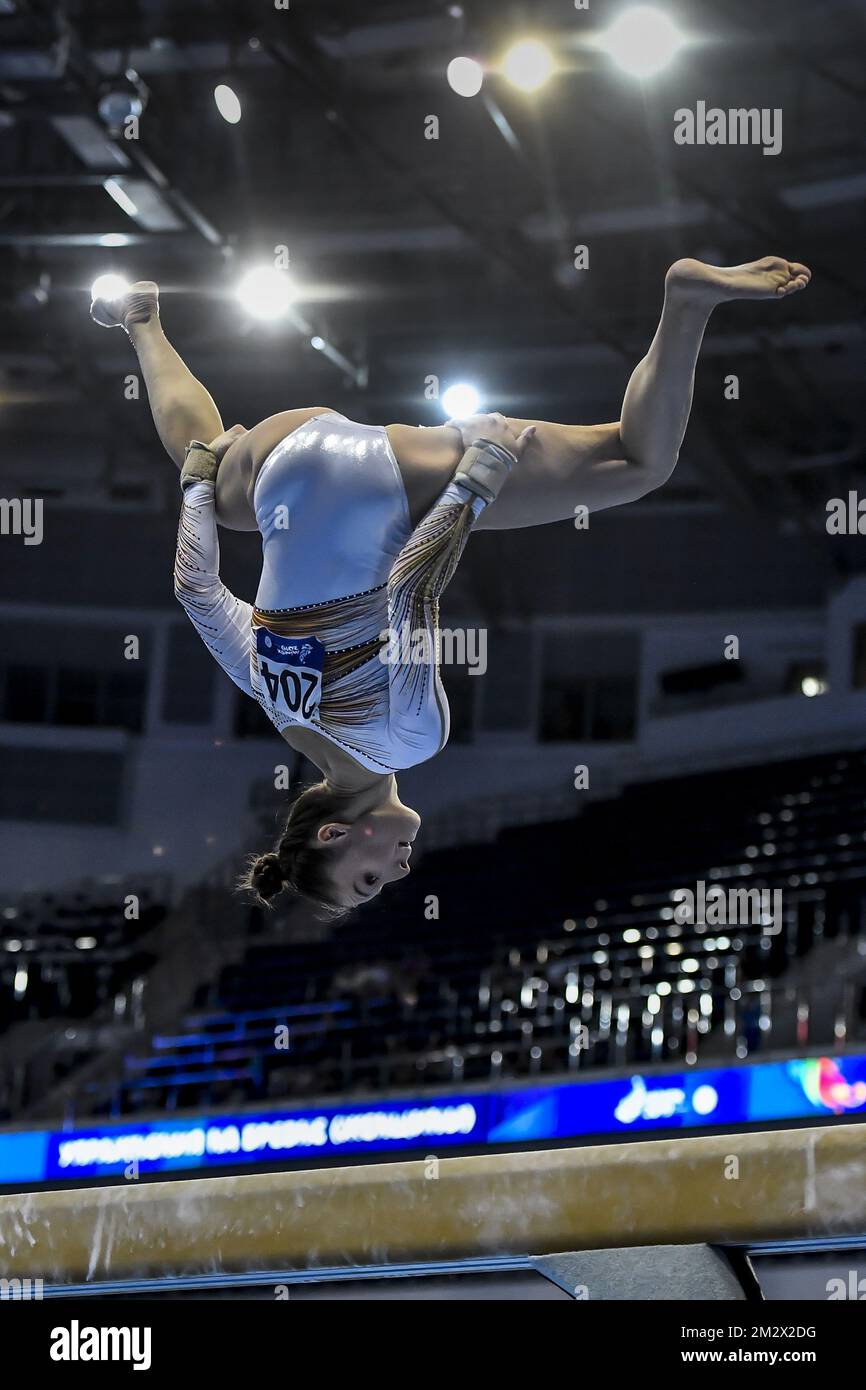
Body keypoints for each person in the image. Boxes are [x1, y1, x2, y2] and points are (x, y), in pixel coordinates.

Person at [91, 255, 811, 912]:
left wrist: (480, 473)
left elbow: (411, 593)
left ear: (335, 835)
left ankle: (686, 301)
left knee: (637, 461)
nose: (400, 873)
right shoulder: (278, 707)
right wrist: (192, 491)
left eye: (368, 878)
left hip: (380, 484)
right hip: (284, 456)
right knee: (209, 464)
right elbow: (194, 589)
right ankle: (143, 321)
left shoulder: (407, 743)